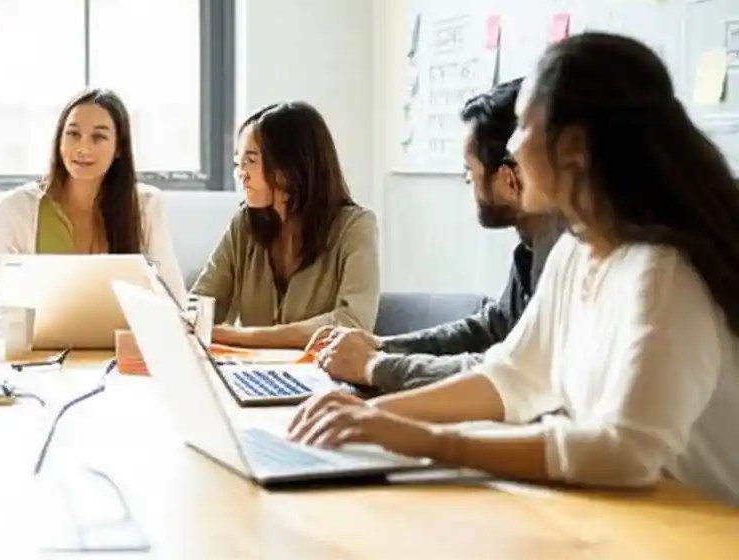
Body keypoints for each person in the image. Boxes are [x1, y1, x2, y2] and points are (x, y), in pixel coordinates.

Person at [288, 33, 739, 506]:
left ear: (573, 146)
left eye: (522, 127)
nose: (514, 148)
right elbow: (514, 377)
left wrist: (430, 442)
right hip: (625, 521)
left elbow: (623, 451)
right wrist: (376, 416)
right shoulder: (576, 253)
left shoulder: (661, 271)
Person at [309, 79, 567, 392]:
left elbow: (512, 373)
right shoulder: (533, 247)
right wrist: (383, 347)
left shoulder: (567, 251)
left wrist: (374, 365)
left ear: (508, 178)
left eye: (469, 174)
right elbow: (495, 326)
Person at [0, 88, 187, 333]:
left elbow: (173, 299)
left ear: (119, 149)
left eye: (98, 137)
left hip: (120, 356)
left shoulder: (146, 206)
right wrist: (32, 333)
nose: (83, 148)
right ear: (59, 140)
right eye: (73, 134)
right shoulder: (17, 208)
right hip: (39, 356)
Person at [192, 102, 380, 349]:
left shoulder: (355, 227)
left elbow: (352, 323)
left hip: (326, 378)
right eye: (239, 163)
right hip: (254, 373)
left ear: (289, 167)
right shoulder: (244, 225)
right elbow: (203, 301)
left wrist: (240, 336)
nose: (241, 174)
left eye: (251, 161)